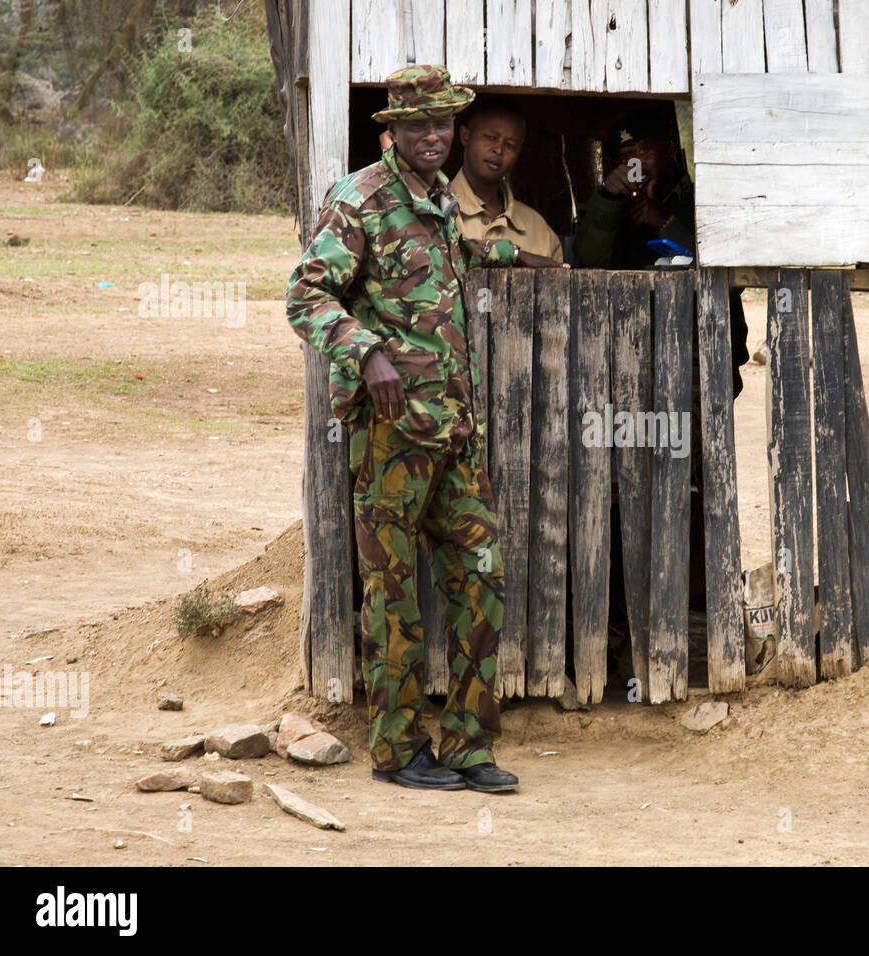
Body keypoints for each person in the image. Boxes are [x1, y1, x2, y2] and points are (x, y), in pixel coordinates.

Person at [286, 65, 563, 794]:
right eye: (419, 125)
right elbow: (306, 294)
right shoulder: (362, 199)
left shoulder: (440, 199)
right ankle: (397, 749)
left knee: (481, 580)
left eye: (443, 124)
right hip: (391, 435)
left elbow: (455, 255)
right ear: (393, 131)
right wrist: (366, 352)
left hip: (454, 433)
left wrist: (524, 256)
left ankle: (469, 746)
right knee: (395, 595)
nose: (434, 135)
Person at [575, 107, 749, 396]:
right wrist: (608, 199)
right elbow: (590, 263)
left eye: (644, 152)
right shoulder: (615, 208)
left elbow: (728, 282)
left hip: (700, 363)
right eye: (625, 158)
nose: (635, 166)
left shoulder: (703, 201)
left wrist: (664, 223)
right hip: (629, 361)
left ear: (669, 149)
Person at [451, 102, 564, 262]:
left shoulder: (537, 228)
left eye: (511, 145)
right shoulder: (436, 209)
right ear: (465, 136)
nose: (499, 149)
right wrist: (517, 256)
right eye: (491, 138)